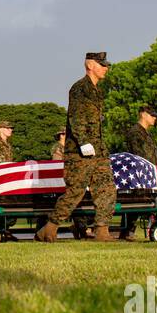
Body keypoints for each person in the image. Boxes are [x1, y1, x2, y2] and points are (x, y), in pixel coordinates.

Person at [37, 52, 117, 242]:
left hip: (98, 150)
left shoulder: (98, 91)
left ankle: (102, 230)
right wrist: (83, 142)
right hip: (80, 152)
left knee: (106, 188)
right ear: (90, 65)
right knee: (76, 191)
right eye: (102, 65)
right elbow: (76, 117)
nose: (106, 68)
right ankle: (49, 228)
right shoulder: (79, 88)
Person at [120, 105, 157, 241]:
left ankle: (129, 232)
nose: (155, 118)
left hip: (149, 174)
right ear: (143, 114)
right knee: (136, 203)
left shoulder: (145, 133)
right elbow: (138, 156)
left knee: (147, 203)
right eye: (152, 115)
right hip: (139, 175)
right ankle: (127, 232)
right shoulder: (135, 133)